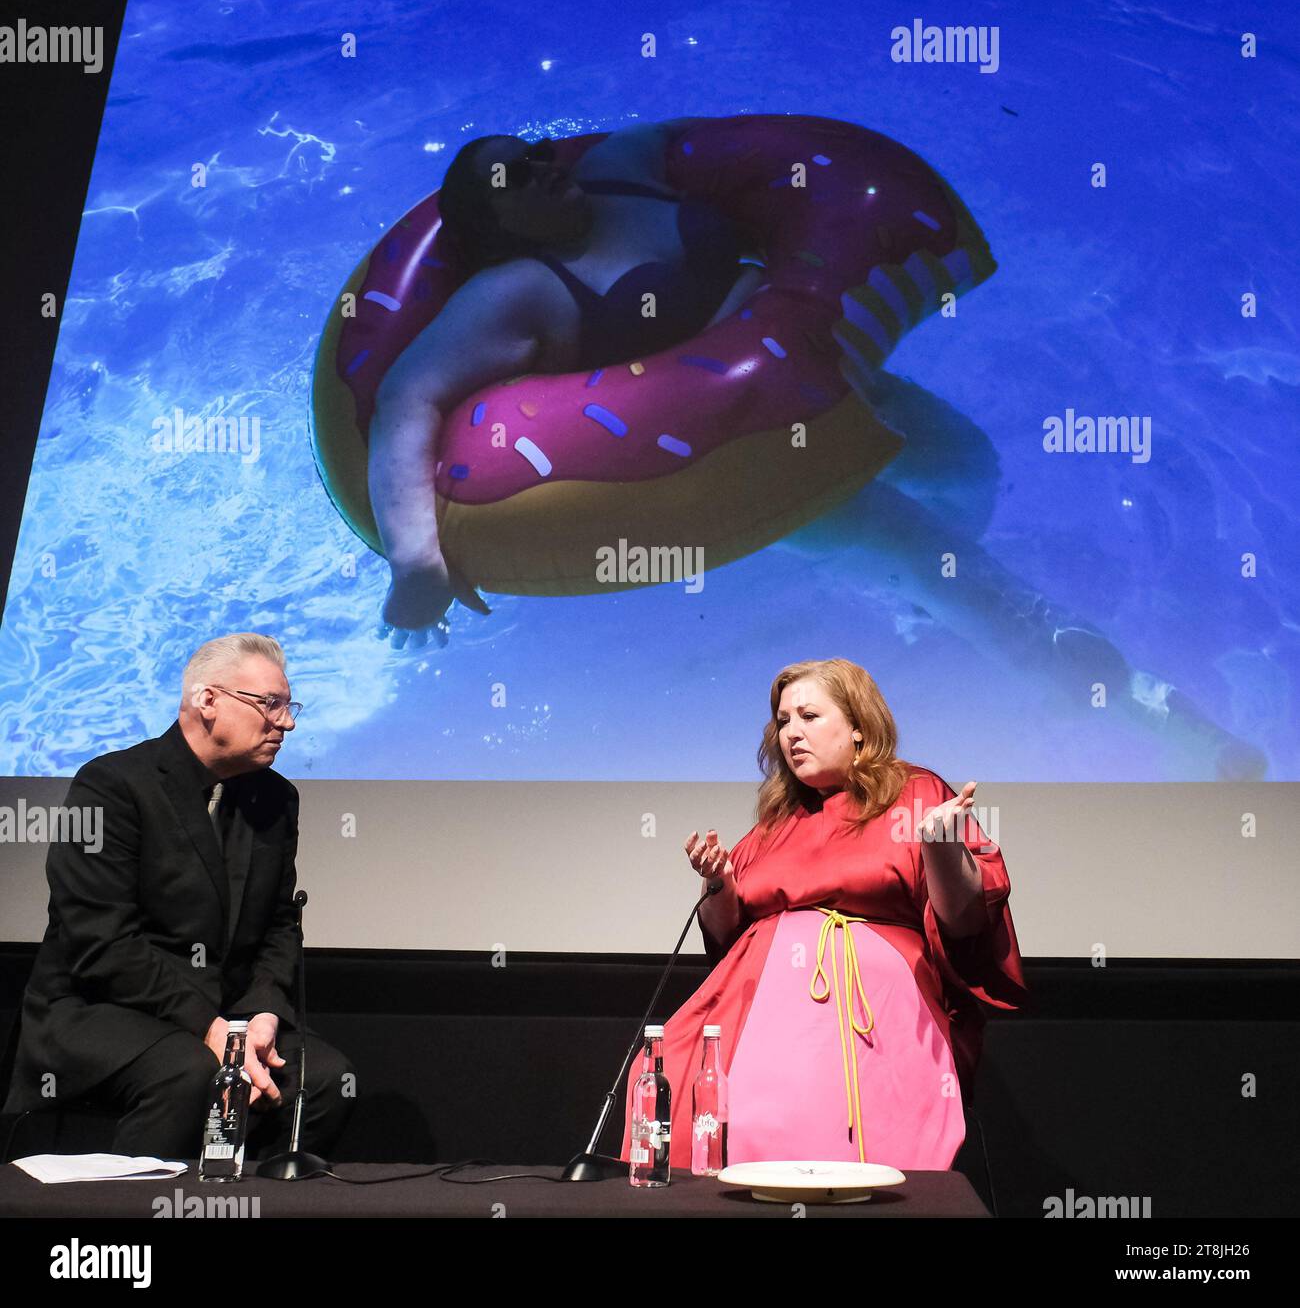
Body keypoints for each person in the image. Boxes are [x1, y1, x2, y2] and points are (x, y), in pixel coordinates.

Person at [620, 656, 1029, 1171]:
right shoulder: (777, 821)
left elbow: (965, 922)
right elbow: (727, 934)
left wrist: (942, 847)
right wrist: (718, 881)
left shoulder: (915, 792)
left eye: (809, 717)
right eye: (783, 720)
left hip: (873, 1014)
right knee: (671, 1075)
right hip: (760, 1013)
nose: (791, 733)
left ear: (858, 727)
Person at [369, 117, 767, 644]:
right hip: (735, 453)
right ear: (493, 222)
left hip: (801, 370)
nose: (541, 169)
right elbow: (405, 395)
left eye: (537, 153)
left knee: (908, 436)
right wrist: (415, 560)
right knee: (879, 536)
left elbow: (696, 132)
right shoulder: (517, 291)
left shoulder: (618, 171)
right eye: (514, 175)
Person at [3, 633, 353, 1162]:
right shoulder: (111, 786)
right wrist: (211, 1030)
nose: (287, 723)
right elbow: (102, 943)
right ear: (207, 701)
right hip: (100, 1010)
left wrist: (261, 1016)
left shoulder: (277, 799)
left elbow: (281, 923)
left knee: (325, 1080)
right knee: (192, 1073)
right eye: (269, 705)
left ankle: (249, 1200)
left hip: (225, 1015)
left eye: (289, 706)